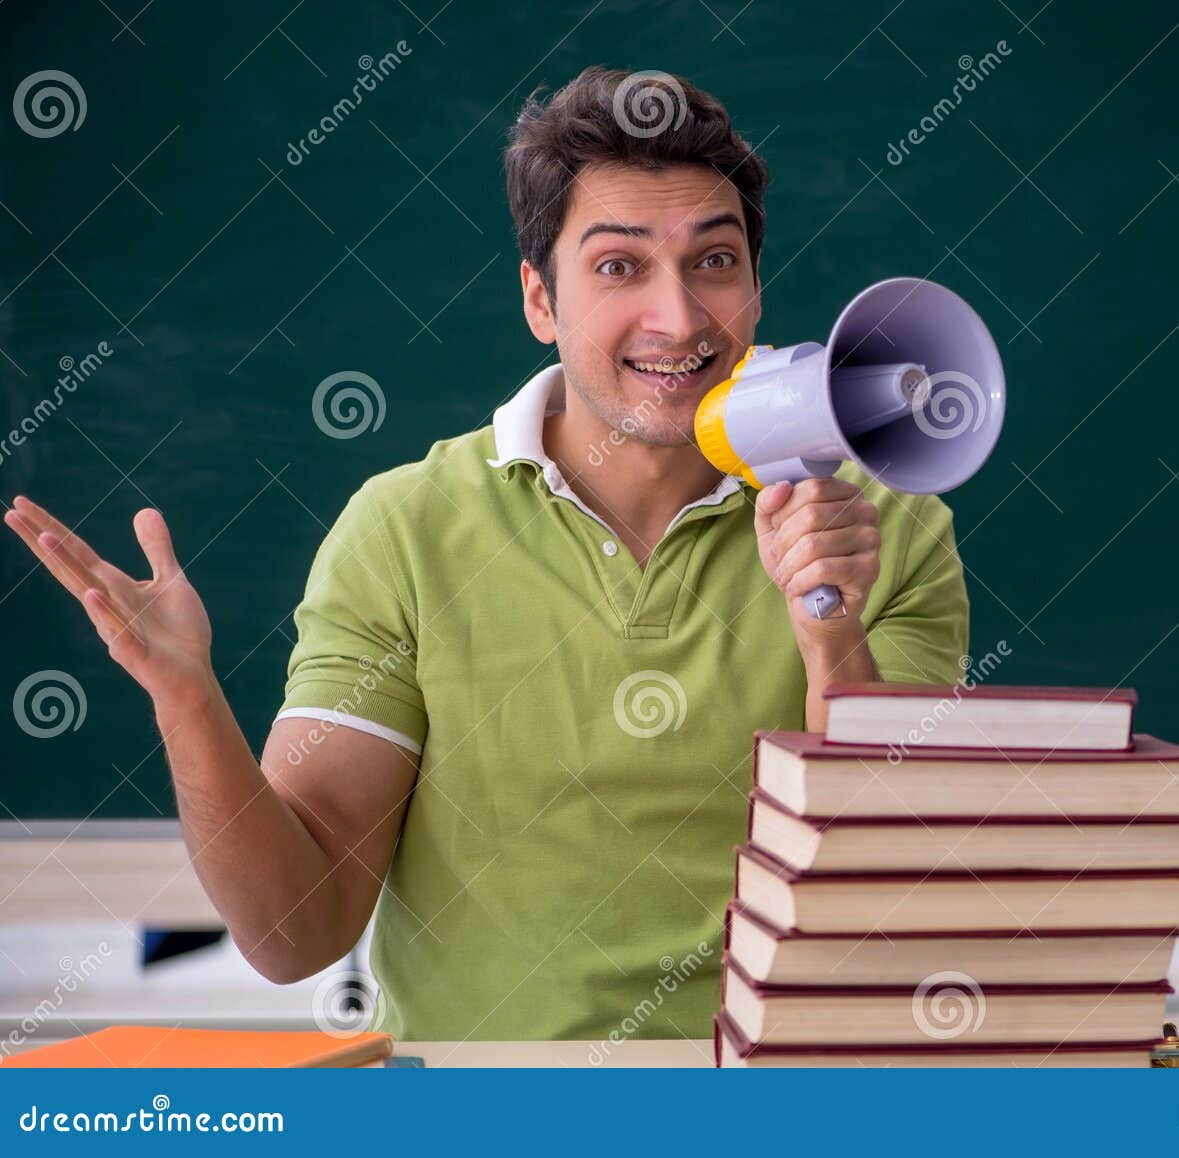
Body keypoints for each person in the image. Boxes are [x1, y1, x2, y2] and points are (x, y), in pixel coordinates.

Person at [4, 66, 969, 1042]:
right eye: (619, 266)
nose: (680, 320)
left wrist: (826, 619)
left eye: (714, 262)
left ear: (755, 288)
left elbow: (889, 881)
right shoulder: (404, 532)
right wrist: (187, 699)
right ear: (539, 301)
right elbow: (295, 931)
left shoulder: (882, 520)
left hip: (789, 1107)